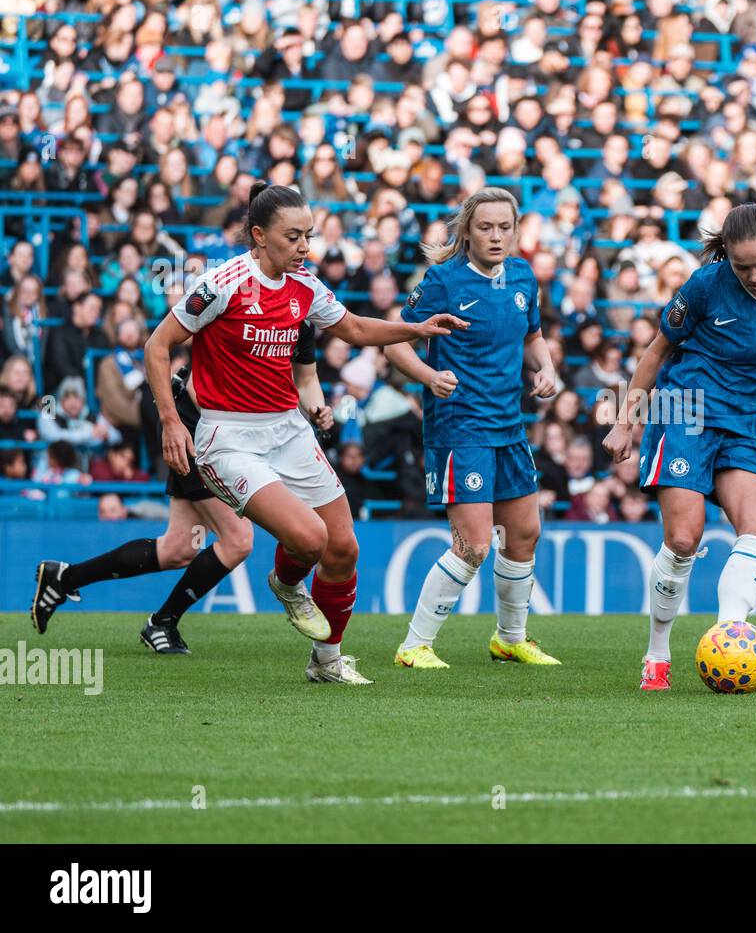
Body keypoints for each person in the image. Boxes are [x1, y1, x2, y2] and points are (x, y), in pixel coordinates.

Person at [138, 182, 466, 683]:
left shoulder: (304, 284)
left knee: (343, 548)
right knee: (309, 538)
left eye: (308, 235)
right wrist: (168, 420)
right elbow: (158, 346)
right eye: (293, 237)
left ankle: (327, 663)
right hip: (228, 437)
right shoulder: (223, 283)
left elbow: (354, 329)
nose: (305, 247)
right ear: (258, 235)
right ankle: (288, 584)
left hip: (288, 430)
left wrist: (416, 330)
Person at [602, 203, 756, 691]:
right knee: (684, 540)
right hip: (682, 410)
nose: (753, 276)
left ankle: (732, 638)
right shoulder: (704, 285)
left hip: (744, 421)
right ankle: (657, 654)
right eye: (741, 266)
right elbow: (657, 350)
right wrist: (625, 421)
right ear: (725, 257)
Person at [30, 327, 331, 654]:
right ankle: (163, 621)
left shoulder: (298, 320)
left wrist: (315, 410)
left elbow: (304, 381)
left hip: (216, 437)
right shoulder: (243, 308)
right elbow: (201, 390)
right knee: (238, 539)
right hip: (199, 437)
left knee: (178, 548)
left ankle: (65, 578)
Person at [383, 188, 563, 670]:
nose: (496, 235)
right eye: (486, 227)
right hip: (460, 428)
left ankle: (510, 638)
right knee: (474, 545)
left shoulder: (523, 275)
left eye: (505, 227)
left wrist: (544, 368)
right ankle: (414, 645)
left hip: (509, 426)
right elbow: (395, 342)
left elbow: (533, 335)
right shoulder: (443, 281)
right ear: (467, 230)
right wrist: (428, 376)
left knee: (525, 532)